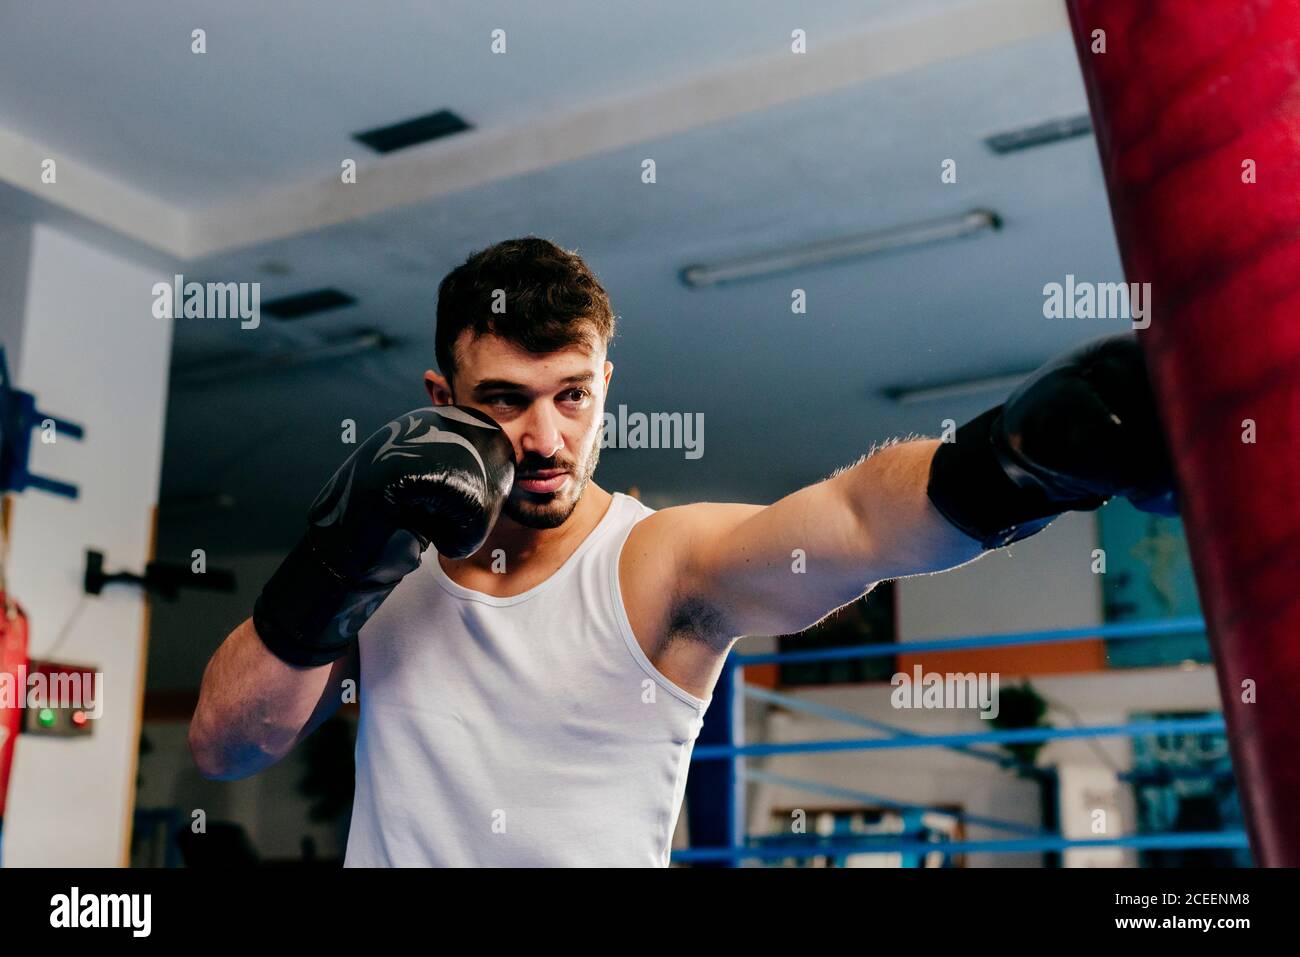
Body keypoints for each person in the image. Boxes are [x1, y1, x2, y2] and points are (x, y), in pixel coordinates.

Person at [189, 236, 1176, 866]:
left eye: (572, 395)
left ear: (606, 384)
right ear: (441, 400)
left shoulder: (658, 564)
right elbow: (228, 745)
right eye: (504, 401)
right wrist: (349, 544)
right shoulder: (386, 563)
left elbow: (854, 520)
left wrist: (1008, 464)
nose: (544, 439)